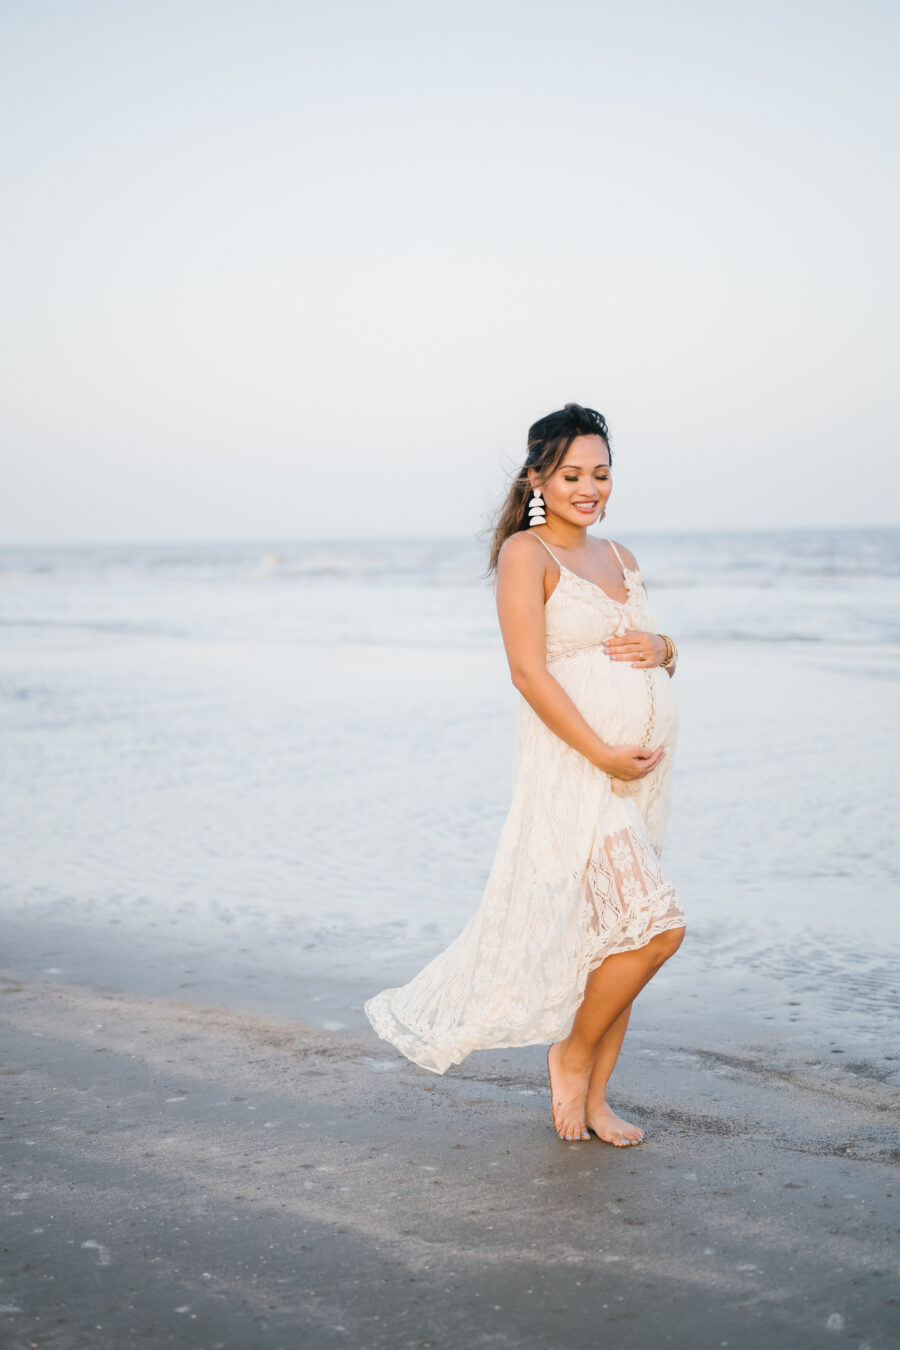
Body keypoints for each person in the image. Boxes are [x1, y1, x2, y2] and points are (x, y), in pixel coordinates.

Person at [365, 403, 686, 1145]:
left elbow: (646, 650)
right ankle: (569, 1056)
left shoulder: (621, 556)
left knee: (619, 937)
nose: (589, 488)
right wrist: (600, 752)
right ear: (538, 477)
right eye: (572, 474)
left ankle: (596, 1097)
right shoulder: (526, 554)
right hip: (577, 770)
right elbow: (528, 673)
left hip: (637, 777)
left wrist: (665, 649)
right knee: (659, 929)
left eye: (601, 473)